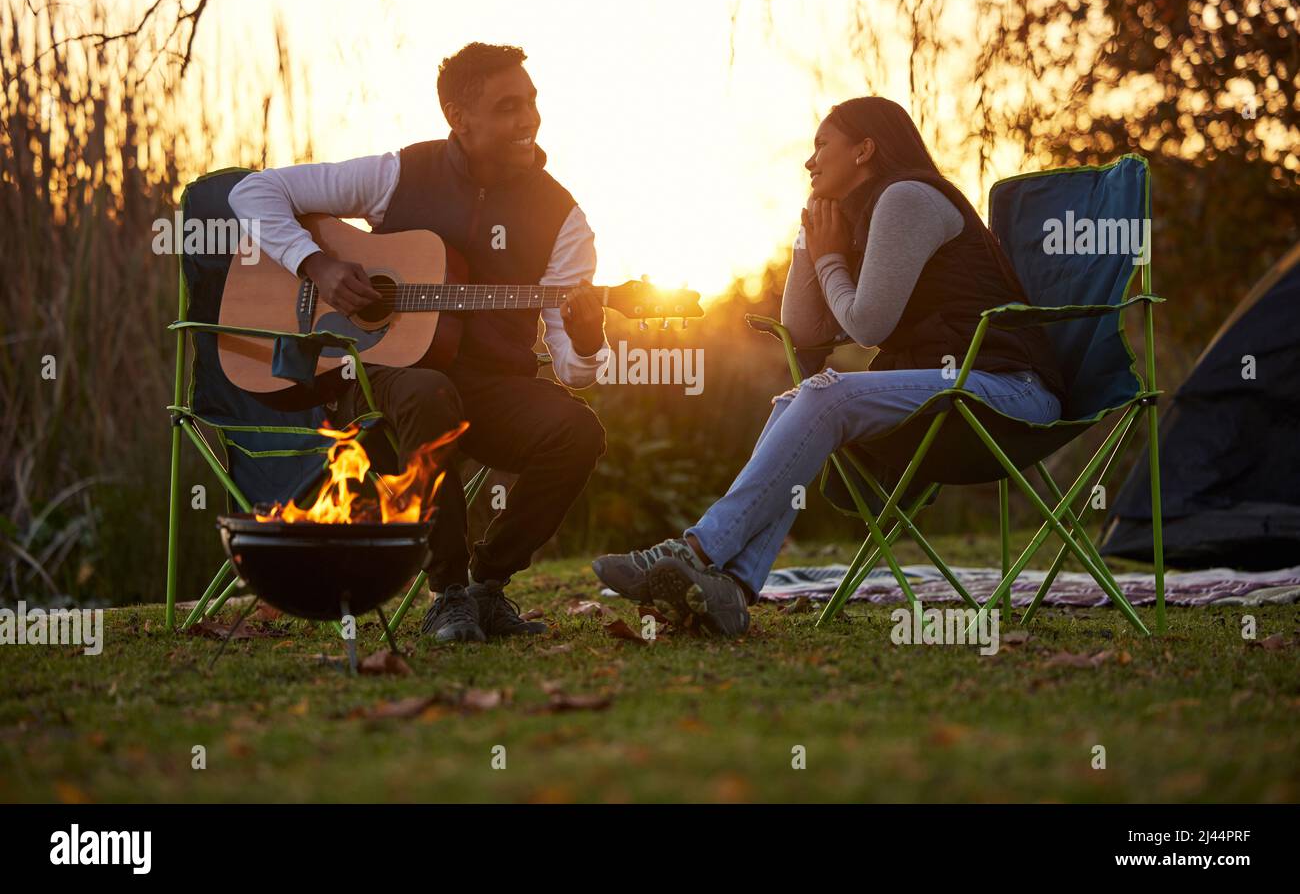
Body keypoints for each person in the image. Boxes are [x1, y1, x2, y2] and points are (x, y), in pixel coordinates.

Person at [593, 97, 1063, 636]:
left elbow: (867, 327)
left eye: (822, 146)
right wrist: (810, 239)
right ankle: (734, 587)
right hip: (954, 391)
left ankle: (695, 549)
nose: (810, 162)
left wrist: (828, 259)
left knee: (824, 393)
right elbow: (807, 331)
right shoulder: (859, 216)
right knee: (798, 397)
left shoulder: (908, 197)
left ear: (865, 149)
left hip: (1010, 393)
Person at [230, 43, 610, 643]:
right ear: (459, 117)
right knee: (430, 391)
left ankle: (487, 585)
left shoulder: (562, 216)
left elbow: (573, 367)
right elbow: (252, 193)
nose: (529, 118)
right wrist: (318, 266)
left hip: (493, 390)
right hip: (384, 385)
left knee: (578, 430)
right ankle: (447, 594)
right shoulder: (397, 174)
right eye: (509, 106)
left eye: (532, 102)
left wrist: (587, 341)